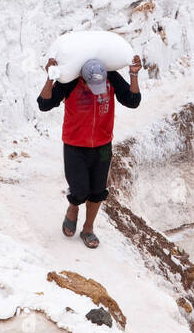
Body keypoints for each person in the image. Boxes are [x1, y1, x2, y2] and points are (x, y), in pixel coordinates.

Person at [37, 53, 142, 248]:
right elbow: (44, 104)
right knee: (79, 190)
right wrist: (50, 79)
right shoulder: (70, 82)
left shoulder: (110, 77)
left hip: (102, 145)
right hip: (75, 145)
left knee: (98, 190)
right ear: (83, 77)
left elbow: (132, 100)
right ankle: (73, 207)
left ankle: (88, 228)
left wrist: (134, 75)